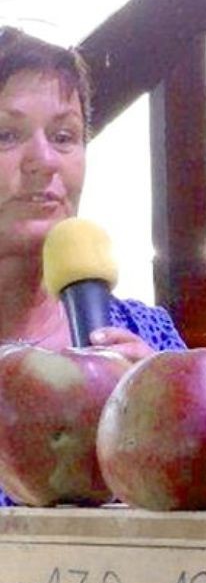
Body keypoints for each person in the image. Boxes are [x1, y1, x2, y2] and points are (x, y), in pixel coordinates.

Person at [0, 26, 187, 505]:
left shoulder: (147, 337)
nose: (44, 161)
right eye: (6, 136)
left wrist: (169, 420)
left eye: (64, 136)